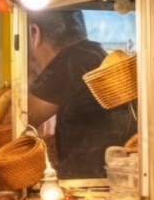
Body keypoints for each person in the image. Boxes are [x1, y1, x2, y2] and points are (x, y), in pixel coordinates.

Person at [27, 9, 135, 179]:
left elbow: (21, 118)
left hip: (92, 184)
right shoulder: (93, 53)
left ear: (34, 33)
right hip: (108, 178)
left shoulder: (70, 60)